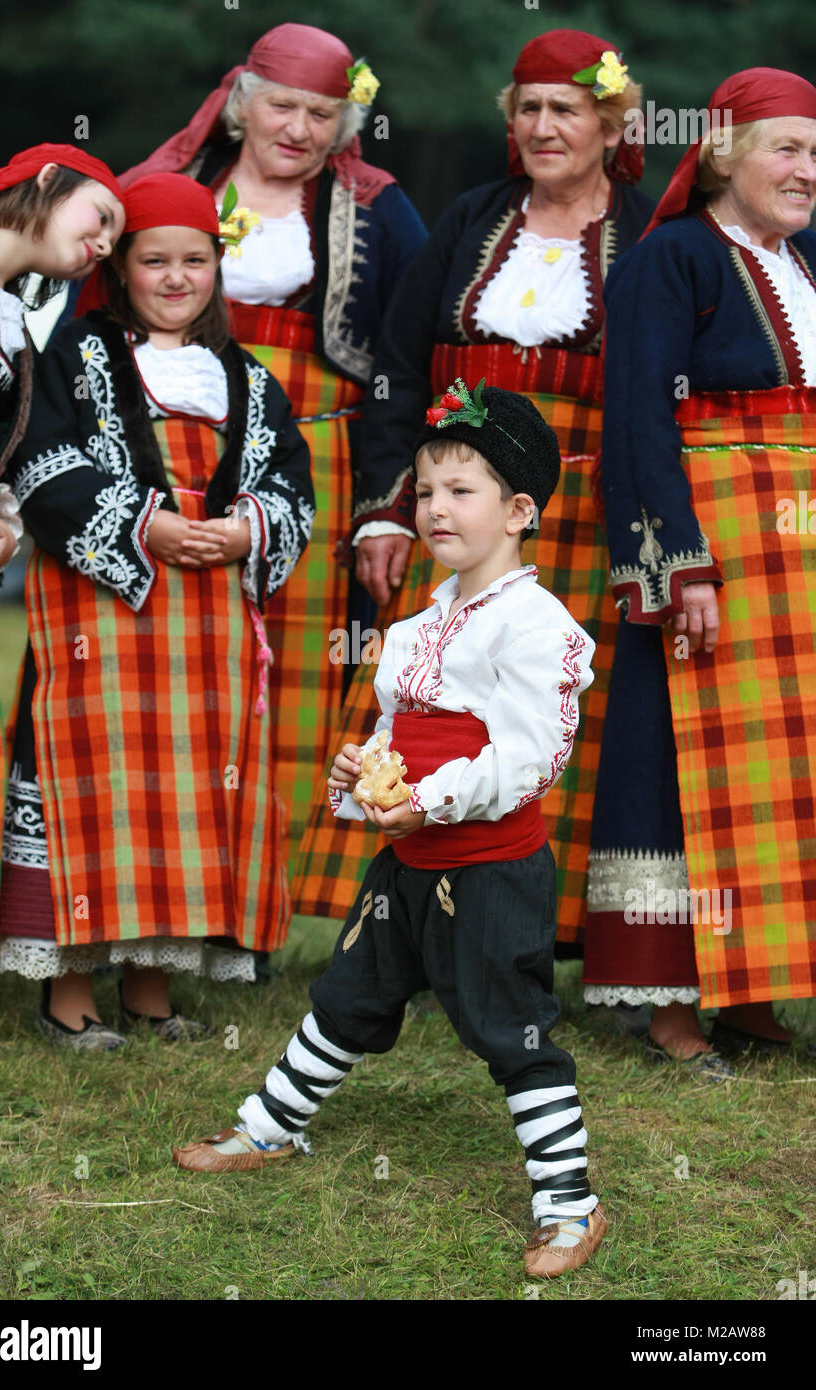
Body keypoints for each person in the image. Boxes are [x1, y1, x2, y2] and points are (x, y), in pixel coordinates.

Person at [173, 380, 606, 1279]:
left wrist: (434, 799)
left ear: (520, 510)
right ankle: (269, 1128)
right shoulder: (413, 629)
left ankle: (570, 1204)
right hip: (405, 863)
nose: (435, 507)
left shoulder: (538, 627)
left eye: (462, 490)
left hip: (488, 869)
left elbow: (531, 758)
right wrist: (358, 776)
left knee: (511, 1030)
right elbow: (390, 735)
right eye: (424, 491)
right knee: (346, 995)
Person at [292, 29, 654, 949]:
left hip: (585, 514)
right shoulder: (468, 221)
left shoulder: (649, 235)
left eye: (565, 109)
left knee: (554, 711)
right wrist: (389, 508)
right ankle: (409, 922)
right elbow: (399, 370)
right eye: (527, 108)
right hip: (460, 503)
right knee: (438, 696)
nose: (543, 126)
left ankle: (547, 931)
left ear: (610, 123)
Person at [0, 173, 313, 1049]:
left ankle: (150, 992)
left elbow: (292, 481)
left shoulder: (246, 377)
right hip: (103, 613)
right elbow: (42, 461)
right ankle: (68, 996)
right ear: (120, 268)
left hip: (208, 619)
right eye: (154, 260)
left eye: (196, 261)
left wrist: (247, 530)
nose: (176, 278)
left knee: (186, 789)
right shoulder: (72, 354)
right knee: (97, 784)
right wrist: (148, 525)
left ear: (219, 265)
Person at [117, 23, 427, 873]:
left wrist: (386, 505)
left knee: (287, 678)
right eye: (283, 105)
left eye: (322, 114)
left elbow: (411, 355)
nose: (299, 129)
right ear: (243, 103)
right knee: (174, 664)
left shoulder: (376, 207)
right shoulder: (169, 187)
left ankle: (257, 893)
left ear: (344, 123)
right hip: (166, 459)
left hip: (312, 463)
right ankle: (164, 875)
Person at [584, 67, 816, 1065]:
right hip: (712, 553)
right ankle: (667, 1008)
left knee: (781, 783)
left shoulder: (806, 264)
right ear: (722, 151)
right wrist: (673, 567)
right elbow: (636, 416)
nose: (805, 171)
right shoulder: (669, 259)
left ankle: (753, 996)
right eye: (786, 147)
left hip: (796, 569)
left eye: (814, 153)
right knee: (679, 771)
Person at [0, 144, 125, 1044]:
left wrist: (2, 523)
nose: (103, 243)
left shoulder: (12, 312)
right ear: (48, 184)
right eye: (99, 217)